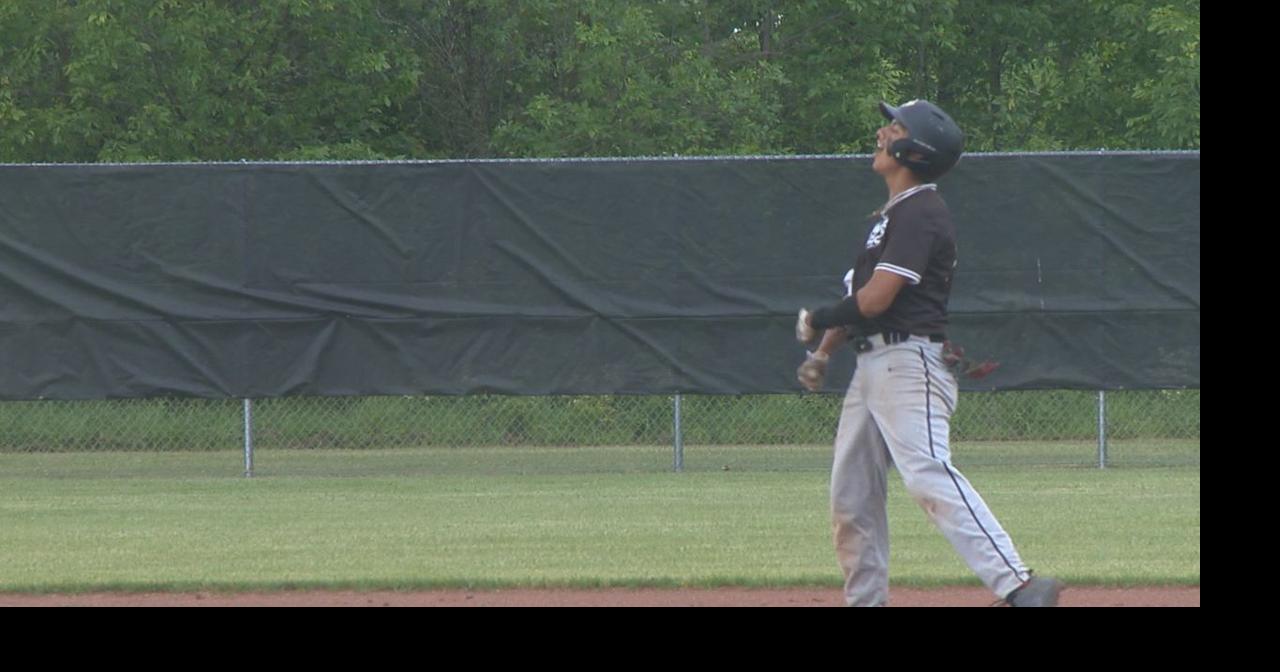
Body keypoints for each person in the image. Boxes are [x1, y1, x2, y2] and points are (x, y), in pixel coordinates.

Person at [794, 99, 1063, 607]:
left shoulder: (923, 211)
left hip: (907, 364)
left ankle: (1020, 585)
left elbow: (875, 301)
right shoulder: (889, 218)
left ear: (913, 150)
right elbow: (861, 297)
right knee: (850, 499)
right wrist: (825, 355)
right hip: (872, 368)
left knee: (927, 473)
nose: (881, 132)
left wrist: (817, 320)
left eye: (893, 127)